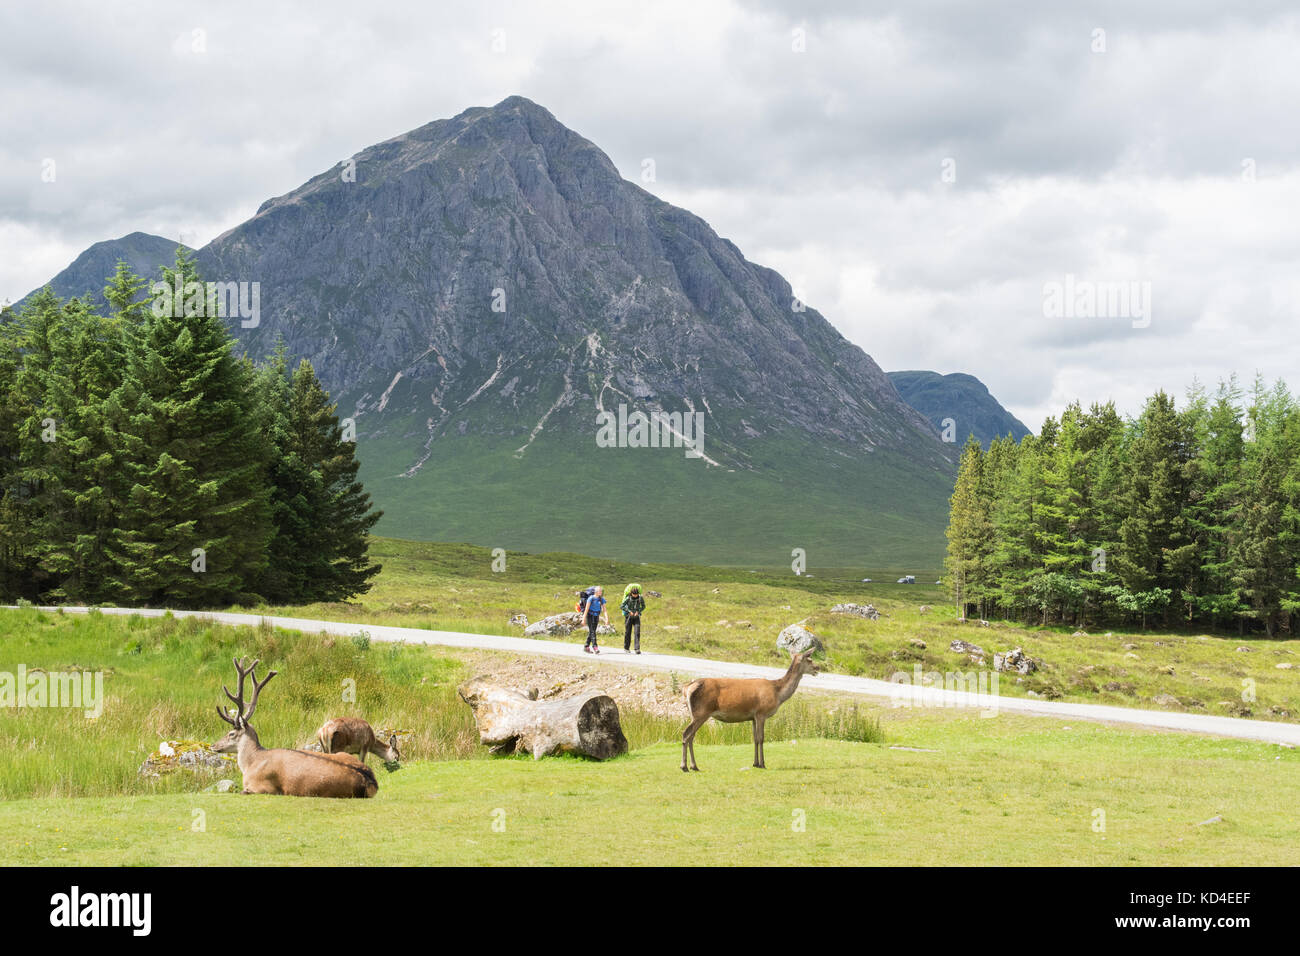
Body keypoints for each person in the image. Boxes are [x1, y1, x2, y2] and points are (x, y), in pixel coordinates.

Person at [581, 586, 609, 654]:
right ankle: (595, 647)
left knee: (592, 631)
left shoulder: (601, 599)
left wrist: (606, 619)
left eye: (601, 591)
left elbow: (604, 610)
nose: (601, 592)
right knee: (593, 631)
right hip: (590, 616)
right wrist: (583, 619)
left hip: (596, 616)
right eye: (600, 591)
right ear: (595, 592)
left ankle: (586, 646)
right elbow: (586, 609)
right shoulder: (591, 598)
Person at [620, 584, 645, 654]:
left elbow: (643, 606)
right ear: (631, 593)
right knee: (628, 632)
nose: (635, 596)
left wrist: (638, 611)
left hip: (637, 617)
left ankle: (637, 649)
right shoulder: (628, 598)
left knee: (637, 632)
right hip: (629, 617)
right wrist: (629, 611)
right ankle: (626, 648)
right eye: (634, 595)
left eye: (636, 595)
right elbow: (622, 606)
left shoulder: (640, 598)